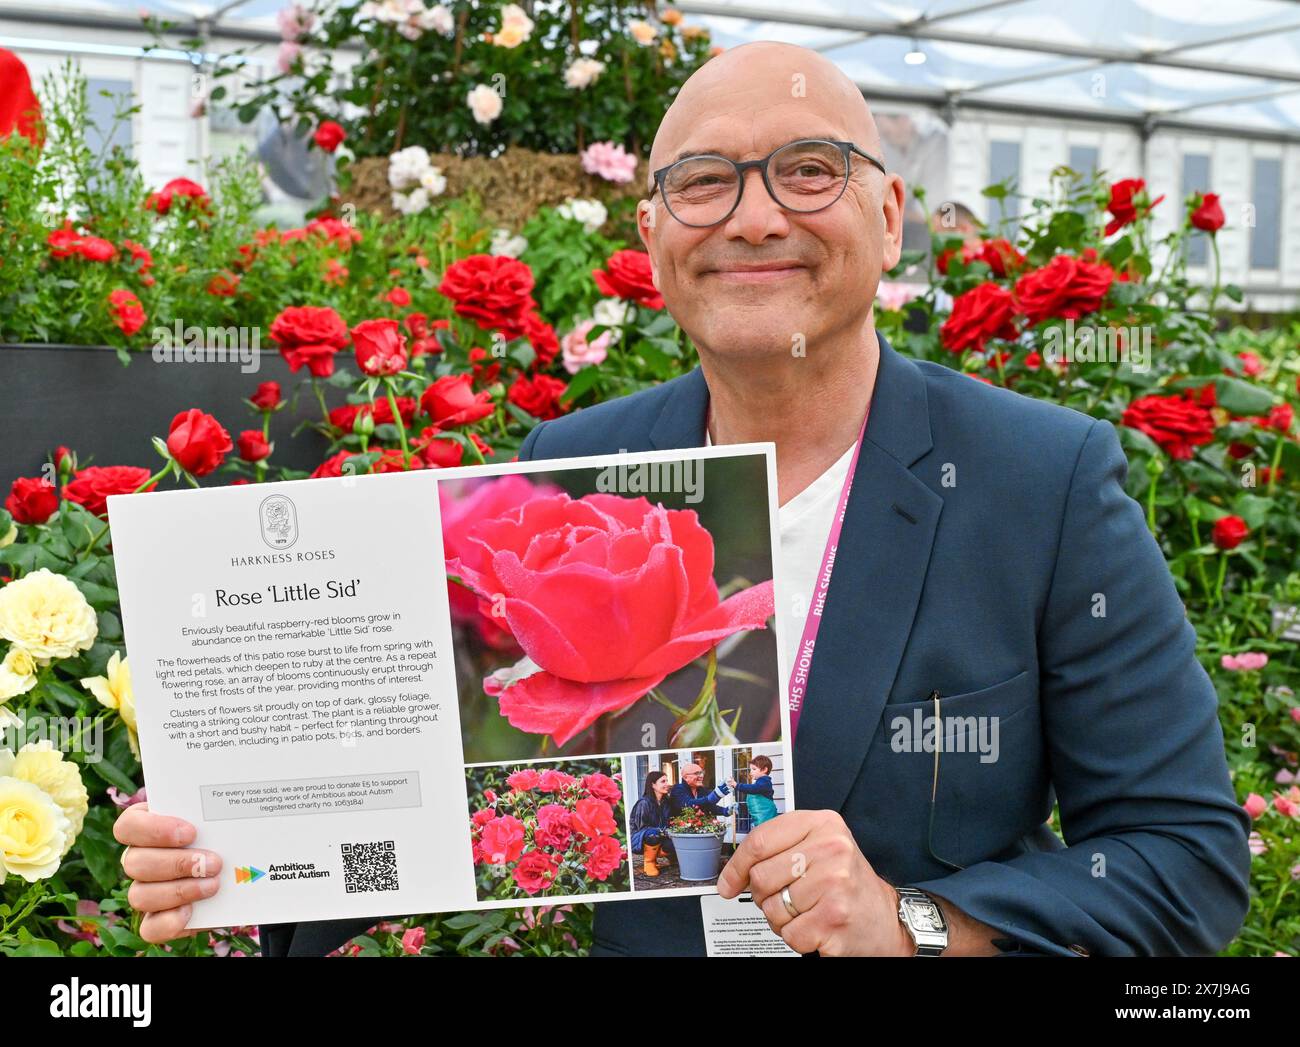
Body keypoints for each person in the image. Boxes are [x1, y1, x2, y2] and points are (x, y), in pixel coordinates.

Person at [116, 40, 1251, 958]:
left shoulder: (1037, 480)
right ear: (652, 235)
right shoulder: (575, 463)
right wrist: (235, 857)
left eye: (808, 170)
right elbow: (454, 806)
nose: (753, 219)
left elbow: (1181, 859)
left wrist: (919, 927)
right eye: (703, 183)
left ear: (891, 214)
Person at [629, 771, 674, 877]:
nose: (667, 784)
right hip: (640, 839)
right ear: (653, 785)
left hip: (661, 837)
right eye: (663, 781)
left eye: (667, 781)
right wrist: (661, 831)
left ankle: (668, 858)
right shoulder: (643, 803)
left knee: (675, 841)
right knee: (653, 834)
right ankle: (649, 863)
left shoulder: (666, 803)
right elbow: (641, 829)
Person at [728, 755, 777, 829]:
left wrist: (737, 785)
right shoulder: (760, 782)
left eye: (754, 769)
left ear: (764, 769)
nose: (751, 772)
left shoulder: (765, 782)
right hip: (759, 817)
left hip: (766, 817)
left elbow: (754, 789)